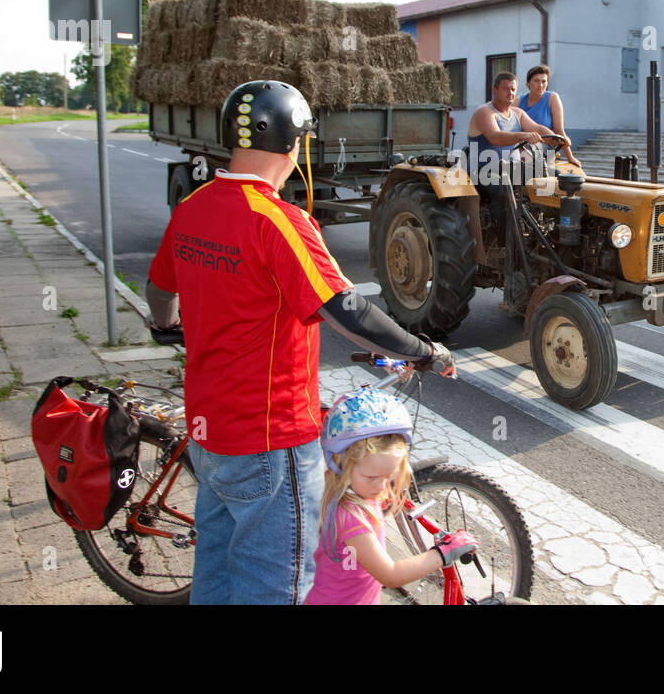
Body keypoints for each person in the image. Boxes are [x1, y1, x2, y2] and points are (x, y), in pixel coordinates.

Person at [145, 79, 455, 605]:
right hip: (270, 440)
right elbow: (347, 310)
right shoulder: (280, 221)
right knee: (276, 587)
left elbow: (159, 290)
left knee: (216, 572)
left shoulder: (193, 208)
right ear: (294, 145)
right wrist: (423, 349)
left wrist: (165, 327)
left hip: (207, 431)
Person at [304, 388, 478, 605]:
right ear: (342, 464)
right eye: (371, 477)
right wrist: (442, 553)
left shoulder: (352, 491)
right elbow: (390, 575)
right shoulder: (350, 517)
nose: (381, 486)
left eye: (389, 477)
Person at [463, 71, 566, 261]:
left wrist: (553, 136)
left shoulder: (518, 113)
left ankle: (552, 234)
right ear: (495, 90)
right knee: (502, 192)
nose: (510, 93)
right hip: (482, 171)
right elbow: (495, 136)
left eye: (513, 89)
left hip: (510, 168)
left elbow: (536, 128)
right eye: (505, 89)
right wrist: (523, 136)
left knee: (557, 178)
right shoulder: (485, 113)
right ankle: (504, 244)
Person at [518, 64, 581, 168]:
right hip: (523, 146)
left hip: (546, 147)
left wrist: (570, 157)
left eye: (544, 81)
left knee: (526, 152)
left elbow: (559, 130)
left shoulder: (552, 98)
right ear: (528, 83)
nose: (541, 85)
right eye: (536, 81)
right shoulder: (518, 101)